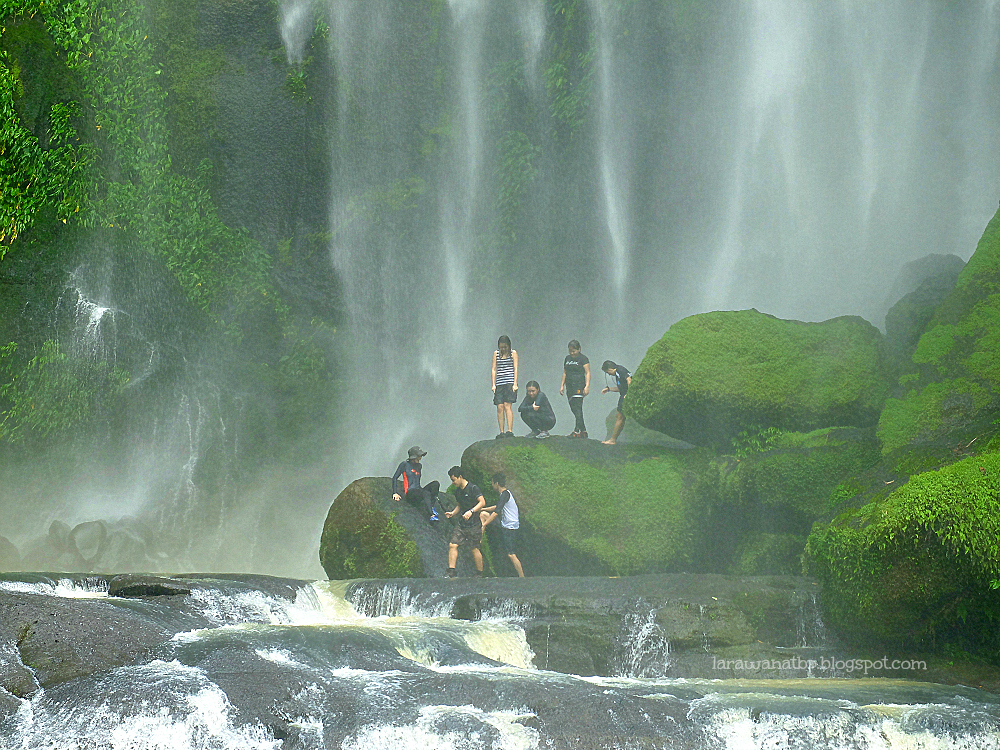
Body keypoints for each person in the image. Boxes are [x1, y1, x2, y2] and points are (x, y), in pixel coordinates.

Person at [444, 466, 486, 577]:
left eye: (454, 480)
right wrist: (452, 513)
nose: (453, 482)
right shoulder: (458, 491)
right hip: (462, 524)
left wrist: (471, 511)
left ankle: (479, 573)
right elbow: (459, 505)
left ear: (460, 477)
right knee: (453, 544)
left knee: (474, 548)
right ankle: (451, 571)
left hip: (474, 524)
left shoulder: (473, 488)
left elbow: (482, 502)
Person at [480, 471, 525, 577]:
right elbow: (497, 506)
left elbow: (496, 512)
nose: (492, 485)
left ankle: (522, 577)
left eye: (492, 483)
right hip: (505, 524)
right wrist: (482, 508)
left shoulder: (505, 494)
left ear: (497, 483)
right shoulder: (504, 494)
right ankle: (479, 541)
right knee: (483, 514)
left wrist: (484, 524)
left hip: (510, 527)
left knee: (511, 554)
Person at [391, 446, 440, 522]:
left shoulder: (419, 466)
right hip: (410, 493)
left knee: (435, 484)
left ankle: (431, 506)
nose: (420, 458)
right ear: (413, 456)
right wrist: (395, 493)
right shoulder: (404, 464)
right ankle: (431, 515)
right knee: (426, 493)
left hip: (418, 491)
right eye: (419, 456)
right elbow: (395, 478)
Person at [559, 339, 590, 438]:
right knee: (573, 408)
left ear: (579, 349)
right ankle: (583, 430)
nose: (572, 353)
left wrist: (587, 386)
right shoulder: (567, 358)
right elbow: (565, 373)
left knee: (578, 407)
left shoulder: (583, 359)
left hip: (579, 385)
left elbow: (588, 372)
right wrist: (561, 386)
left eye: (574, 351)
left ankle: (577, 431)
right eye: (570, 351)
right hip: (569, 385)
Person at [491, 335, 519, 439]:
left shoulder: (513, 353)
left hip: (509, 382)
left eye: (505, 346)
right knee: (500, 407)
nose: (503, 348)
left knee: (508, 406)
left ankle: (509, 431)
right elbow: (494, 369)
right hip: (499, 383)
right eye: (501, 346)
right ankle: (501, 432)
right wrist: (493, 384)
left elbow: (515, 368)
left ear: (509, 346)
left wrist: (515, 383)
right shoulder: (496, 354)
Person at [600, 360, 632, 445]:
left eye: (607, 372)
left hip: (625, 396)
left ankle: (612, 440)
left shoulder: (620, 370)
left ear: (610, 368)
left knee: (619, 417)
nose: (609, 374)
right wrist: (609, 389)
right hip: (624, 394)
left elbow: (629, 380)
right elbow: (621, 388)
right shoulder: (618, 373)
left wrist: (628, 394)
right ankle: (613, 439)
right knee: (620, 417)